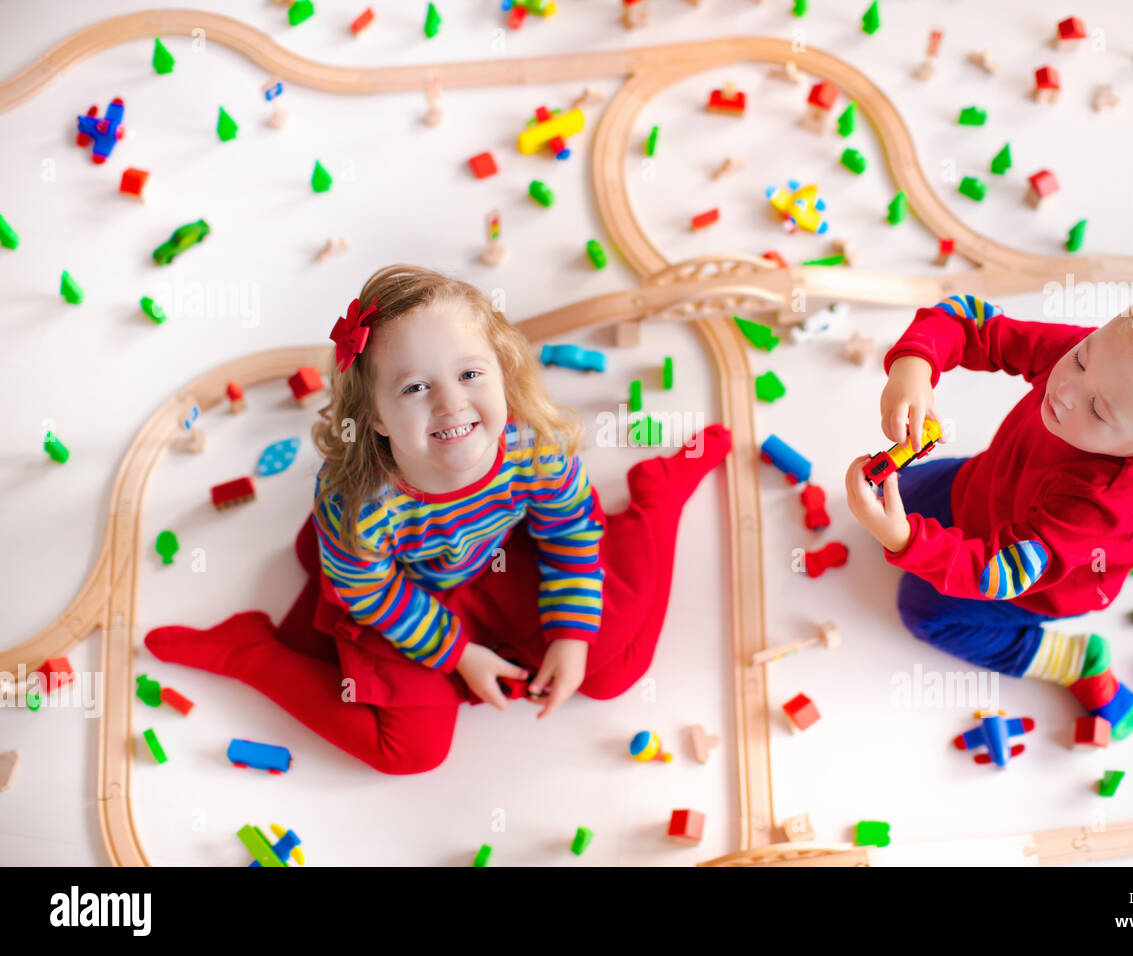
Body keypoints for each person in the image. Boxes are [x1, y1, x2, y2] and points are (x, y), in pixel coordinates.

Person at [146, 264, 732, 773]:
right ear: (374, 417)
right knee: (410, 752)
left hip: (500, 559)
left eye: (471, 374)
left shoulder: (536, 448)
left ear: (502, 372)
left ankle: (658, 499)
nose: (450, 402)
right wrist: (459, 654)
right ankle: (251, 653)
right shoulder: (359, 506)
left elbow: (571, 534)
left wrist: (571, 634)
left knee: (610, 673)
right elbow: (373, 594)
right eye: (416, 387)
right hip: (410, 591)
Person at [845, 278, 1133, 739]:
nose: (1066, 387)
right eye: (1082, 357)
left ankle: (1076, 663)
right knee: (900, 485)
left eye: (1099, 411)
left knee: (921, 610)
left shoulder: (1105, 501)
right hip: (981, 487)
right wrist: (915, 363)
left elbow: (1002, 571)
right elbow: (970, 319)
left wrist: (906, 542)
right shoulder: (1096, 367)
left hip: (1032, 583)